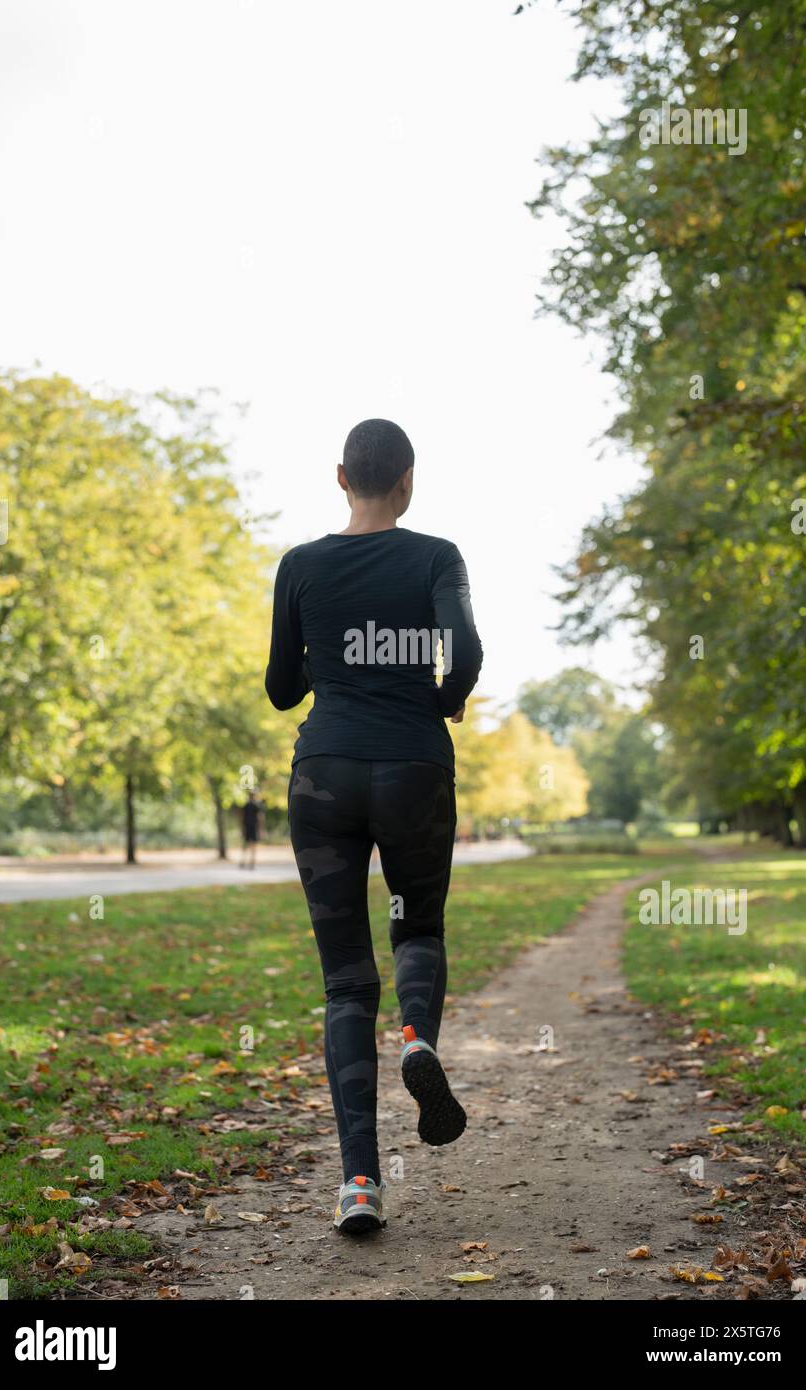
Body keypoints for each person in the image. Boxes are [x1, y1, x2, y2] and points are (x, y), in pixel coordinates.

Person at [265, 419, 483, 1234]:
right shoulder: (437, 556)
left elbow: (282, 687)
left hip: (322, 774)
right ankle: (419, 1038)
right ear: (409, 481)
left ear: (339, 477)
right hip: (414, 766)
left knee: (345, 982)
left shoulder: (301, 565)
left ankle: (360, 1184)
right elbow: (463, 649)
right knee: (417, 926)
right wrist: (439, 698)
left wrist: (332, 667)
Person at [241, 790, 264, 869]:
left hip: (248, 826)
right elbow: (260, 818)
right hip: (252, 827)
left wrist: (242, 829)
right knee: (252, 845)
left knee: (246, 844)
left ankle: (245, 862)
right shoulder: (255, 806)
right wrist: (260, 829)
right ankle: (251, 862)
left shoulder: (247, 805)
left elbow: (243, 818)